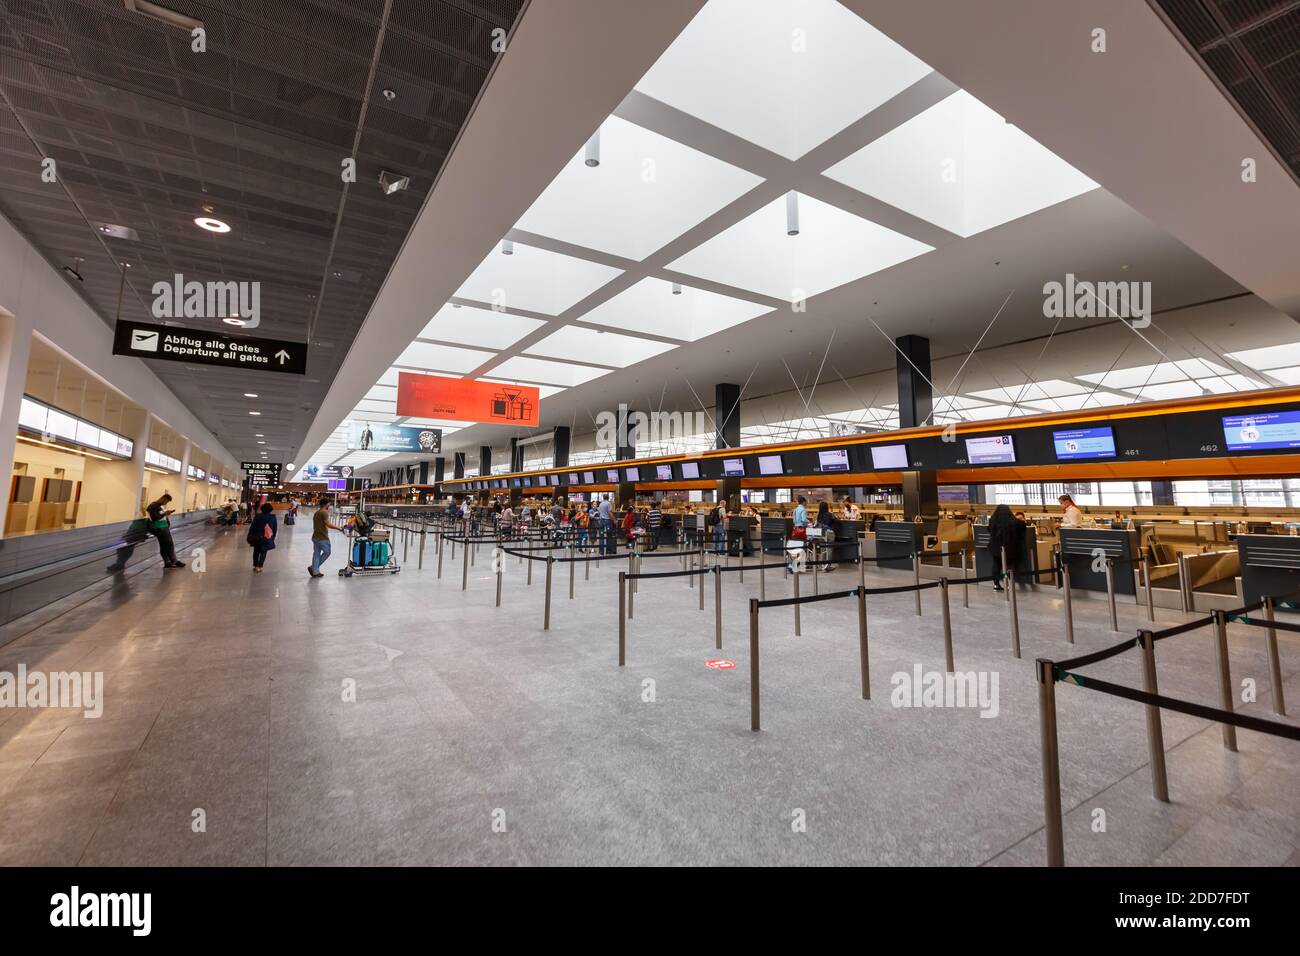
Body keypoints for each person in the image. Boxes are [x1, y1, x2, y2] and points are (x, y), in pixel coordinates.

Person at [986, 504, 1027, 592]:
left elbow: (989, 529)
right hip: (1010, 548)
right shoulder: (1013, 521)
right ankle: (1009, 585)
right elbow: (1023, 526)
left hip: (995, 548)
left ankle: (996, 585)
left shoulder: (992, 520)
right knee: (1011, 565)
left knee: (996, 565)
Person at [145, 493, 185, 569]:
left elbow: (161, 516)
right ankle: (173, 561)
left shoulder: (160, 507)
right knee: (168, 544)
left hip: (163, 527)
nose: (166, 503)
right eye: (166, 501)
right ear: (163, 499)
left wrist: (166, 515)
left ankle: (169, 562)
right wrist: (165, 514)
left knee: (166, 545)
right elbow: (154, 518)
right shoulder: (153, 506)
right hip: (158, 528)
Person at [309, 496, 343, 578]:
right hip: (322, 537)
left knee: (316, 554)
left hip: (315, 537)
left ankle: (315, 572)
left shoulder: (317, 512)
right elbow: (328, 524)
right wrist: (339, 528)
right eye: (329, 504)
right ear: (326, 504)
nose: (329, 506)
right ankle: (314, 568)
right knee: (327, 552)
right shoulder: (324, 512)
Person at [247, 502, 278, 573]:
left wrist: (250, 535)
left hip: (257, 536)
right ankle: (259, 567)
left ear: (262, 509)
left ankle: (255, 565)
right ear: (270, 509)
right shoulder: (273, 517)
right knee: (264, 552)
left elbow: (253, 527)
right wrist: (272, 538)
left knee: (256, 551)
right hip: (267, 537)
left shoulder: (258, 516)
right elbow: (274, 529)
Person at [817, 500, 840, 571]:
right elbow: (837, 521)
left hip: (821, 533)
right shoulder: (829, 514)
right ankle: (828, 566)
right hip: (829, 533)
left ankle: (823, 564)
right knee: (829, 549)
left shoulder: (819, 515)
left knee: (823, 549)